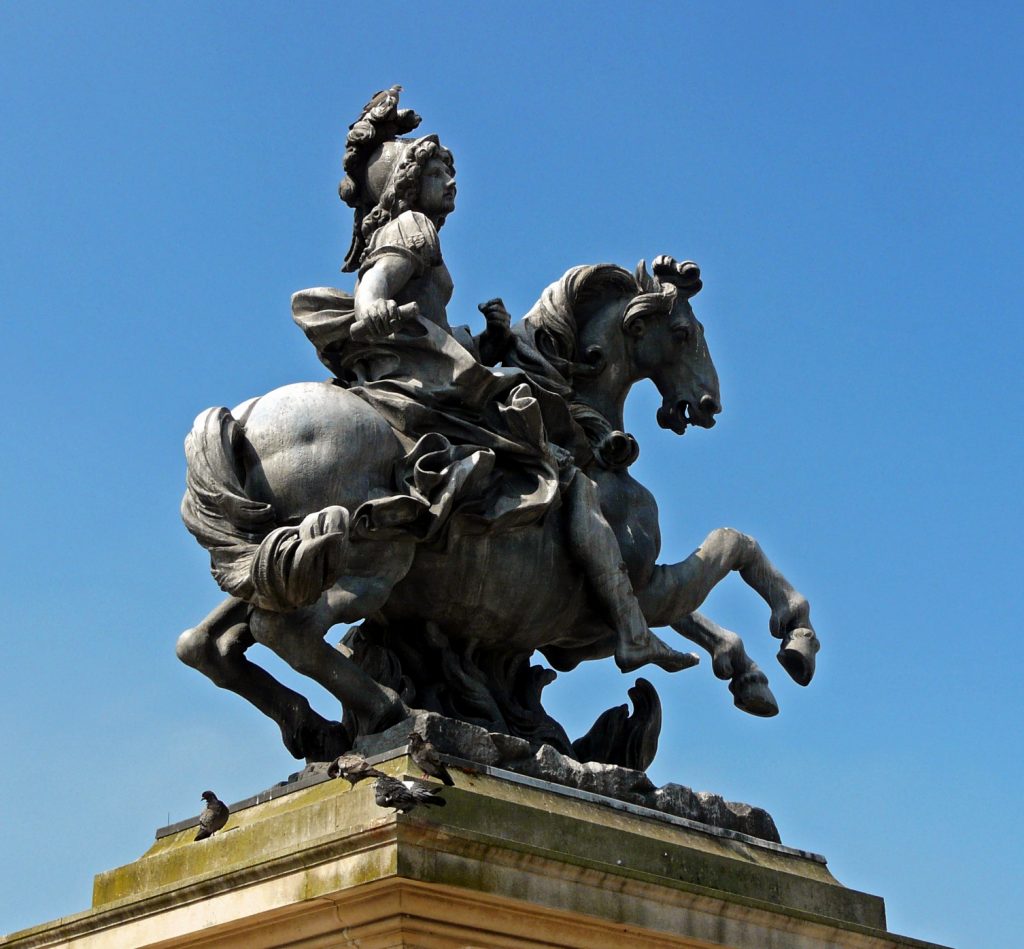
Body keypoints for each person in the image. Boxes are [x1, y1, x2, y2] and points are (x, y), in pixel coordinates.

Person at [292, 89, 689, 673]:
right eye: (437, 171)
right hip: (420, 386)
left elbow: (428, 322)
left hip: (421, 372)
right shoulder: (413, 231)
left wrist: (491, 340)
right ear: (408, 182)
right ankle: (631, 628)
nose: (451, 182)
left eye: (452, 171)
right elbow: (372, 293)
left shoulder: (412, 232)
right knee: (567, 472)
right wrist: (374, 306)